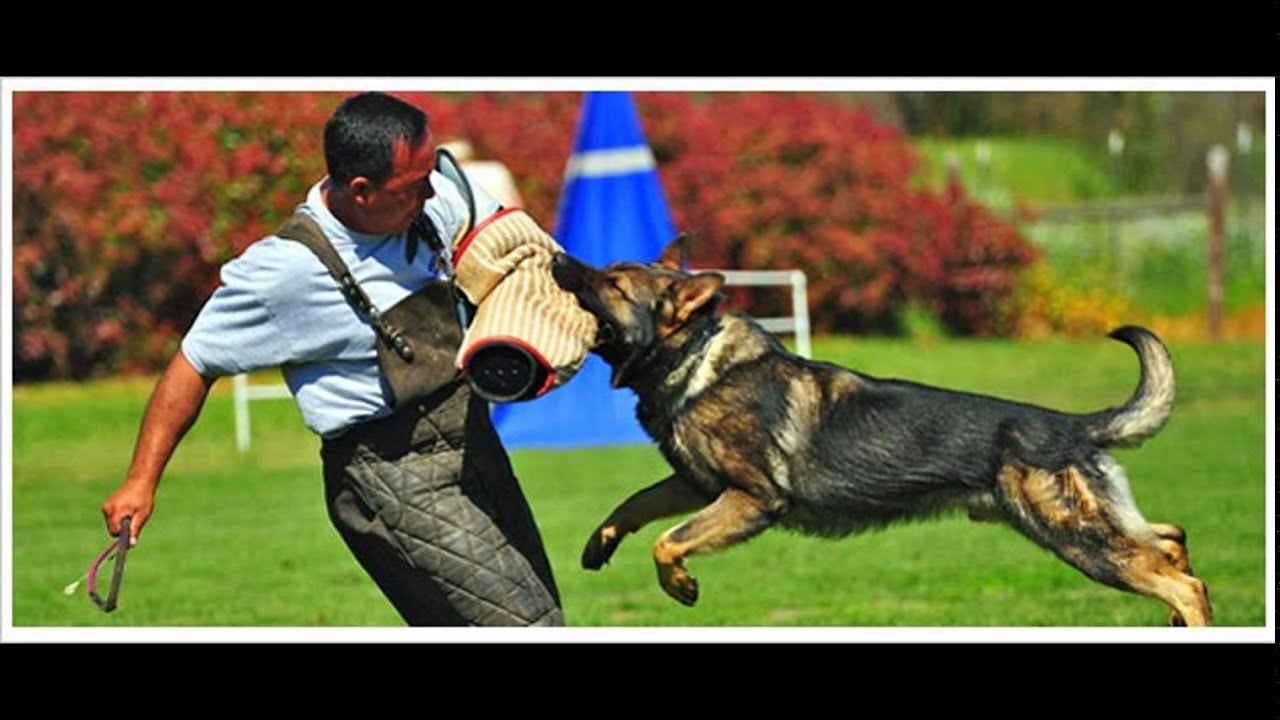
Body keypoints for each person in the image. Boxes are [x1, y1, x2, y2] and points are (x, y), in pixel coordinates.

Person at [100, 91, 563, 626]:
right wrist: (141, 480)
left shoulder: (434, 198)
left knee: (540, 615)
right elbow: (194, 361)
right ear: (361, 191)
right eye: (414, 186)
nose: (433, 192)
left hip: (473, 445)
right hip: (391, 476)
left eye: (431, 172)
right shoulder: (285, 271)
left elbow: (516, 245)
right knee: (527, 625)